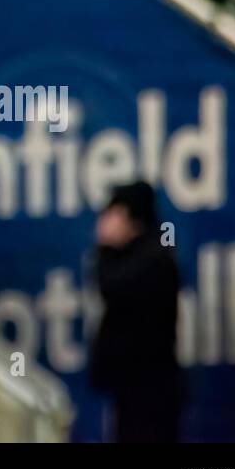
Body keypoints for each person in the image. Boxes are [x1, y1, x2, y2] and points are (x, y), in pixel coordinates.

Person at [87, 181, 183, 443]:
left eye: (113, 214)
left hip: (151, 391)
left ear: (130, 217)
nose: (104, 223)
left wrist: (105, 248)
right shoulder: (135, 256)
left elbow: (113, 288)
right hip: (131, 388)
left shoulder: (153, 260)